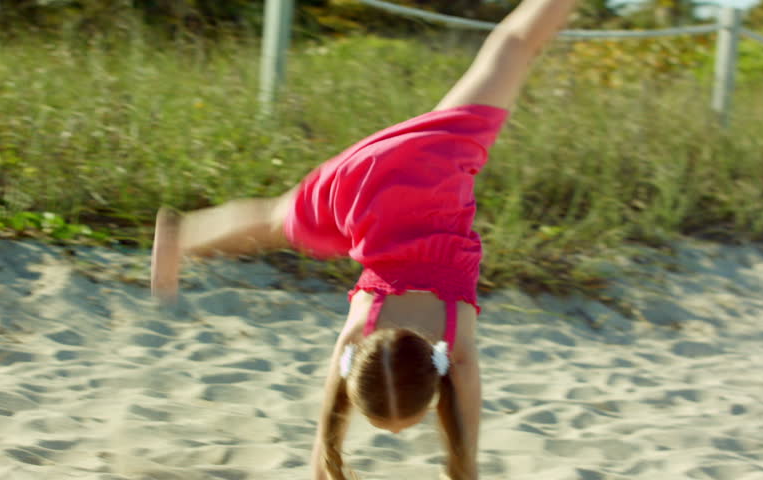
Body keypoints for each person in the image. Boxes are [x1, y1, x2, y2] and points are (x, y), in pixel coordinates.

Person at [150, 1, 580, 478]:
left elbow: (468, 411)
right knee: (275, 221)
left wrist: (465, 467)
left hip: (431, 162)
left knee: (513, 47)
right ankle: (182, 236)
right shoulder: (362, 328)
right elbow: (328, 415)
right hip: (363, 190)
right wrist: (324, 466)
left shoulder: (455, 338)